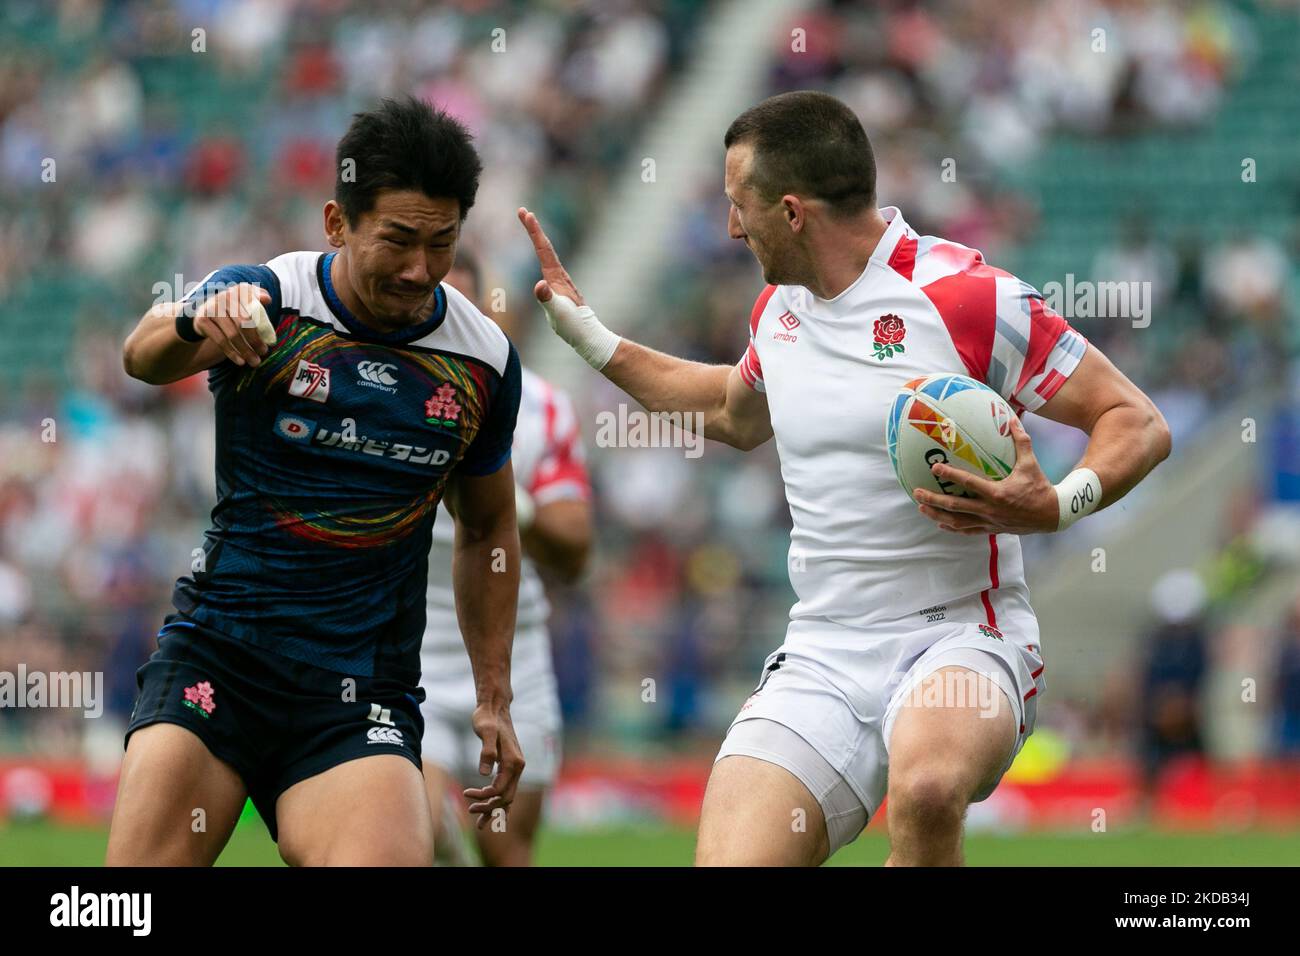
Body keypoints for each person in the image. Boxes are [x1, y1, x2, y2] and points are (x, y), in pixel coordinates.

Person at [518, 90, 1172, 866]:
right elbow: (733, 413)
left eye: (740, 205)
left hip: (964, 635)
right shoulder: (778, 312)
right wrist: (592, 338)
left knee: (927, 792)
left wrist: (1059, 505)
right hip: (825, 648)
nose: (730, 226)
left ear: (792, 212)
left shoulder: (965, 296)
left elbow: (1137, 421)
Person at [109, 97, 524, 866]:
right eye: (398, 240)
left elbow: (490, 528)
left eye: (442, 243)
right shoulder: (268, 298)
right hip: (220, 657)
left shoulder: (484, 362)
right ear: (338, 222)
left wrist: (494, 695)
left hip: (358, 691)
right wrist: (200, 322)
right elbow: (141, 355)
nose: (419, 269)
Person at [421, 251, 593, 866]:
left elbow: (575, 553)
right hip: (405, 655)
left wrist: (506, 506)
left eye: (463, 311)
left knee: (506, 848)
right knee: (411, 827)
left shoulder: (538, 406)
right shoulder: (377, 391)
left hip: (512, 656)